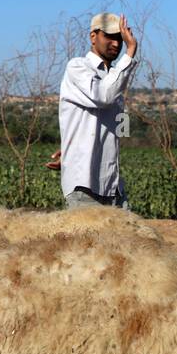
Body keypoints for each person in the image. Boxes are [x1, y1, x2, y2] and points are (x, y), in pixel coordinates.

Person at [49, 12, 138, 209]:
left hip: (112, 186)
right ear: (93, 36)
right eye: (110, 37)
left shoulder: (115, 81)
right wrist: (130, 52)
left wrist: (74, 146)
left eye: (120, 39)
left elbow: (116, 128)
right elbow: (102, 97)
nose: (116, 44)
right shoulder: (77, 67)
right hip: (84, 185)